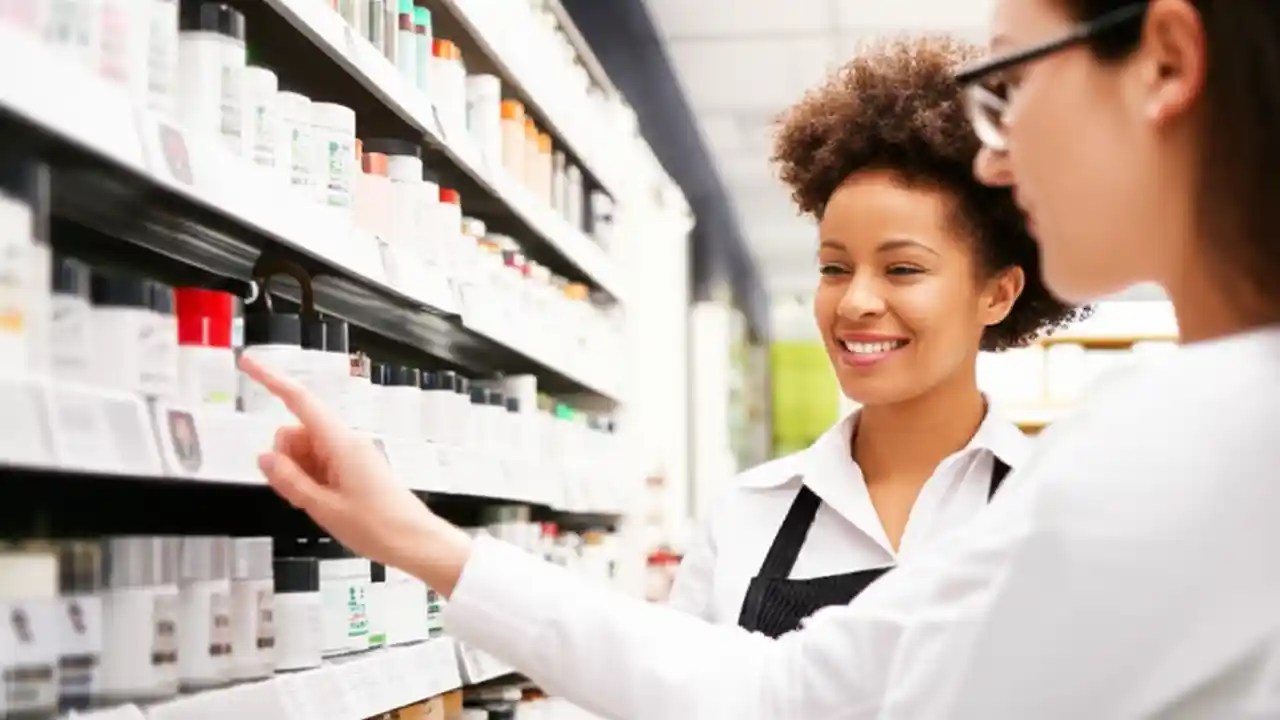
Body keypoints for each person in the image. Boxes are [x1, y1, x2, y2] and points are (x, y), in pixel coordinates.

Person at [239, 0, 1280, 716]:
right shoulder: (1146, 445)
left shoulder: (1170, 451)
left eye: (1008, 81)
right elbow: (780, 694)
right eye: (831, 266)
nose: (995, 151)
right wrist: (415, 538)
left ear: (1163, 62)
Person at [667, 37, 1081, 637]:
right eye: (834, 268)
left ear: (997, 294)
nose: (855, 302)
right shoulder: (746, 514)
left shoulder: (1058, 506)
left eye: (903, 269)